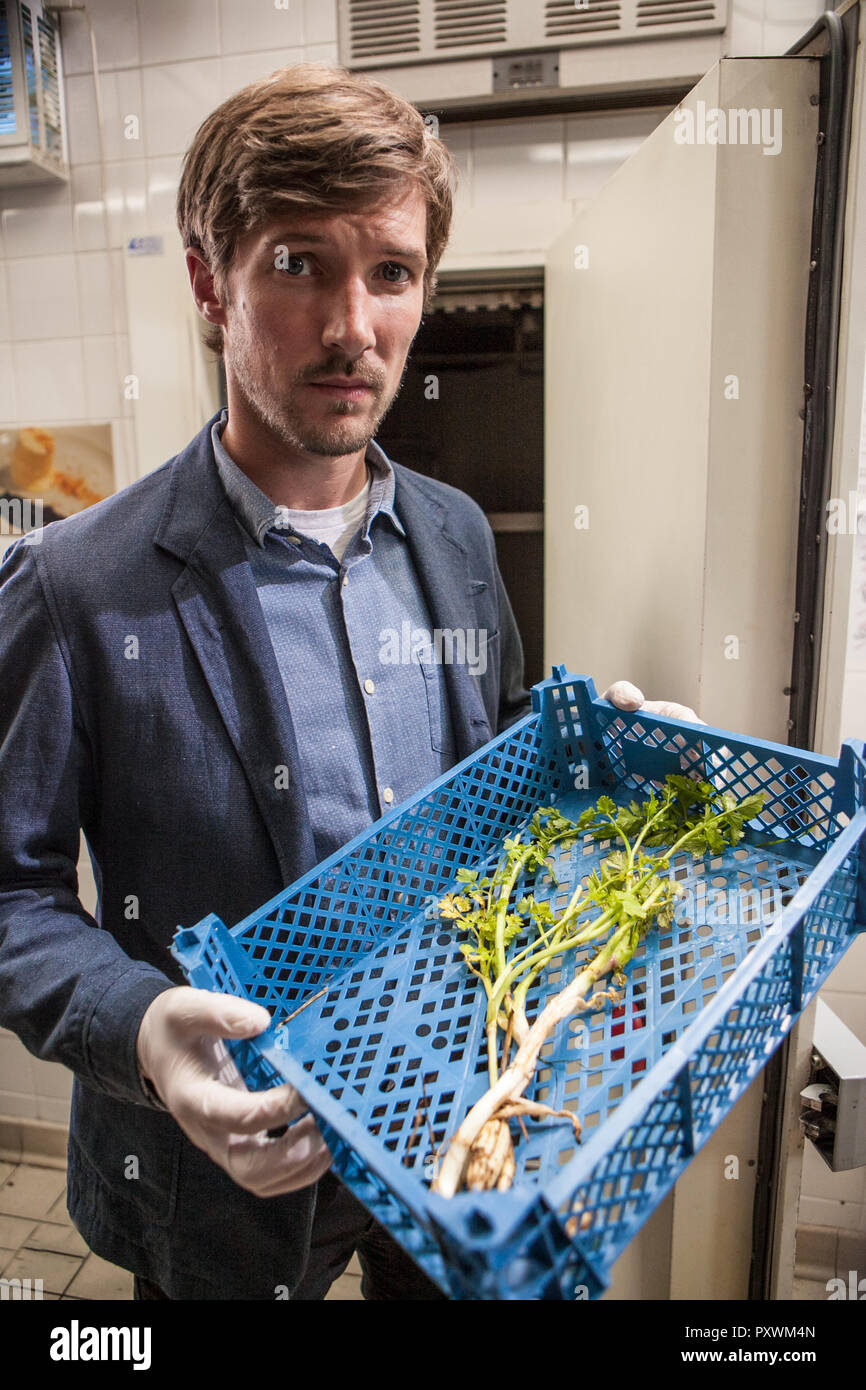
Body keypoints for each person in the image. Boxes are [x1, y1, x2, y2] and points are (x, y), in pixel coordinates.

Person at [0, 63, 698, 1300]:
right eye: (295, 263)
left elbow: (483, 770)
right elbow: (11, 895)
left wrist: (585, 745)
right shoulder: (74, 583)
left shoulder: (453, 535)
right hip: (218, 1162)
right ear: (209, 283)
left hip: (446, 1103)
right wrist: (145, 1030)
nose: (351, 326)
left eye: (389, 272)